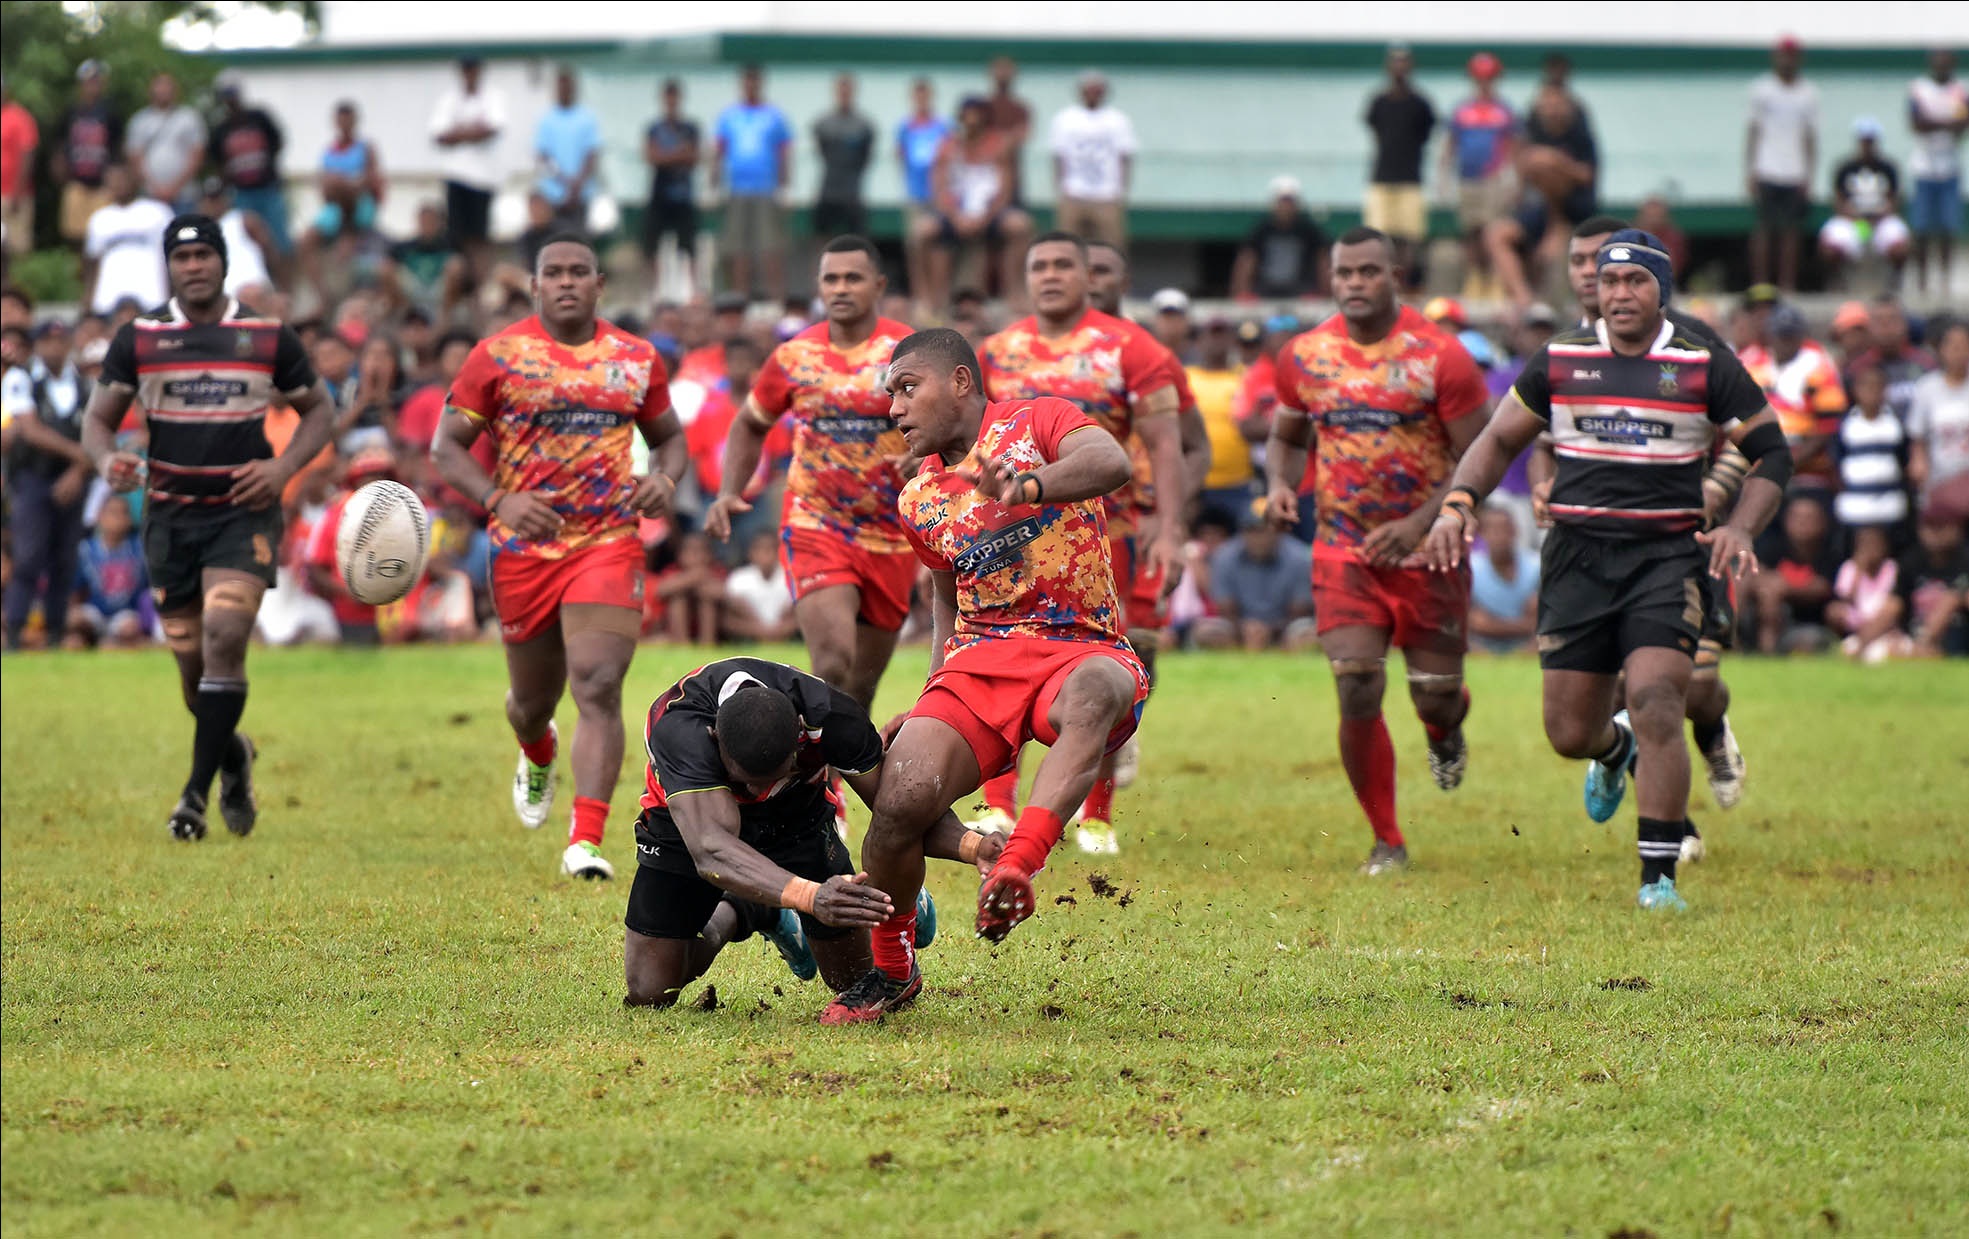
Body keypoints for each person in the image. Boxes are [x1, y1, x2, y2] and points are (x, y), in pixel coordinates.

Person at [1423, 229, 1792, 912]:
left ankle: (1658, 877)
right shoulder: (1560, 360)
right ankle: (1615, 751)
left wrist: (1739, 524)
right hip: (1576, 560)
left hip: (1665, 558)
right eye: (1608, 281)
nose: (1618, 293)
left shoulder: (1702, 363)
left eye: (1635, 282)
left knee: (1656, 697)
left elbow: (1773, 451)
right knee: (1568, 732)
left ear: (1661, 291)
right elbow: (1498, 438)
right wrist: (1456, 504)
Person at [822, 328, 1149, 1023]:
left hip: (1079, 646)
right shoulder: (919, 499)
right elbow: (946, 596)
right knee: (900, 799)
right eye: (890, 394)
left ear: (962, 383)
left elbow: (1109, 461)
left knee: (1095, 693)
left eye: (908, 387)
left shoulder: (1038, 420)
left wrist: (1028, 484)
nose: (895, 409)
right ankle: (891, 969)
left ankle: (1015, 866)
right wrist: (932, 695)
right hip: (979, 662)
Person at [430, 232, 689, 880]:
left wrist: (665, 479)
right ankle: (536, 748)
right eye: (555, 272)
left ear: (599, 284)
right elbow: (445, 448)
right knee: (530, 701)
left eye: (579, 271)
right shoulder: (497, 356)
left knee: (598, 683)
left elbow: (670, 439)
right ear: (535, 285)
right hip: (522, 549)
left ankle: (586, 840)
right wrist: (499, 499)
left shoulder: (635, 358)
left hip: (607, 540)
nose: (567, 281)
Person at [81, 213, 338, 840]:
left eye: (204, 255)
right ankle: (233, 757)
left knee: (225, 637)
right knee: (195, 679)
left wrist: (282, 471)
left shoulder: (267, 337)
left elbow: (320, 410)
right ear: (168, 266)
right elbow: (97, 421)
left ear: (224, 262)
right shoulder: (139, 338)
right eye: (182, 256)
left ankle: (192, 798)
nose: (194, 266)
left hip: (241, 514)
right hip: (168, 518)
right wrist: (104, 458)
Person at [1266, 227, 1490, 876]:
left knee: (1434, 697)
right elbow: (1285, 435)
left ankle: (1446, 731)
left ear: (1396, 274)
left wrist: (1422, 522)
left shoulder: (1438, 355)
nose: (1354, 284)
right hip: (1342, 548)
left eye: (1368, 272)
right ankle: (1386, 838)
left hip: (1430, 551)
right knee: (1357, 686)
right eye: (1344, 273)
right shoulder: (1305, 355)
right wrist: (1279, 483)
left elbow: (1481, 457)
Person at [1530, 214, 1752, 818]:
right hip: (1594, 543)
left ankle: (1712, 736)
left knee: (1691, 687)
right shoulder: (1566, 351)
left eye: (1598, 261)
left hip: (1685, 536)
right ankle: (1668, 825)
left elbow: (1749, 433)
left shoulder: (1691, 339)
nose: (1588, 274)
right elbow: (1540, 438)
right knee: (1636, 692)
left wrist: (1716, 488)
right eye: (1579, 264)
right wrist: (1542, 485)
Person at [974, 234, 1185, 850]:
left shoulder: (1130, 347)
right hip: (1009, 535)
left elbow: (1166, 444)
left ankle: (1095, 812)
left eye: (1064, 264)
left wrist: (1170, 528)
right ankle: (996, 804)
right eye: (1038, 265)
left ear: (1087, 277)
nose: (1051, 275)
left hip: (1102, 537)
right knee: (1000, 648)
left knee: (1105, 661)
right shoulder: (997, 350)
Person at [623, 658, 982, 1014]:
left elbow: (901, 813)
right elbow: (711, 851)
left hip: (797, 816)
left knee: (854, 979)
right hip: (692, 818)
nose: (757, 791)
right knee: (650, 989)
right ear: (715, 738)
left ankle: (899, 899)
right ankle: (751, 909)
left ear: (799, 735)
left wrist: (976, 846)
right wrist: (810, 895)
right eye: (746, 780)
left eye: (771, 777)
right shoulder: (680, 728)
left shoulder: (832, 717)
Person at [704, 236, 914, 710]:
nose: (840, 288)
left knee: (860, 686)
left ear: (878, 284)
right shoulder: (794, 355)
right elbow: (751, 422)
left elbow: (948, 426)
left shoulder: (909, 351)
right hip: (817, 522)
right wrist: (727, 492)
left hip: (893, 532)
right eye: (830, 279)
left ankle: (832, 768)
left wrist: (928, 458)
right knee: (833, 662)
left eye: (853, 278)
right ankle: (816, 781)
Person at [3, 321, 92, 649]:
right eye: (47, 342)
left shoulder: (85, 385)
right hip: (34, 479)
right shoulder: (22, 379)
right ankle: (14, 630)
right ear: (38, 346)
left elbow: (98, 433)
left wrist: (78, 472)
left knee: (65, 558)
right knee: (28, 556)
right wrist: (80, 457)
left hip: (73, 480)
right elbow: (29, 429)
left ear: (68, 343)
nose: (54, 348)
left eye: (60, 341)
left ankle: (55, 631)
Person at [918, 97, 1031, 321]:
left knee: (1020, 226)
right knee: (922, 231)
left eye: (976, 115)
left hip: (989, 213)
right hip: (955, 213)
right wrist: (956, 217)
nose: (971, 121)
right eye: (967, 116)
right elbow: (938, 187)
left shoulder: (998, 145)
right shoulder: (948, 147)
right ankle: (928, 298)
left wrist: (985, 217)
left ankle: (1015, 294)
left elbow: (1006, 188)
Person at [1486, 85, 1598, 309]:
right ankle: (1522, 297)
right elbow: (1521, 167)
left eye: (1557, 105)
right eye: (1547, 105)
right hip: (1537, 215)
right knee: (1496, 234)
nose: (1552, 110)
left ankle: (1555, 230)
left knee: (1542, 163)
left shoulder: (1580, 135)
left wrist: (1554, 161)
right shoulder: (1531, 132)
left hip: (1573, 214)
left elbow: (1587, 175)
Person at [713, 65, 794, 303]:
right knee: (738, 248)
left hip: (766, 188)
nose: (751, 87)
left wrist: (786, 186)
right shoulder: (729, 116)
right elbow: (719, 150)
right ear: (741, 85)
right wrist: (713, 184)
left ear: (760, 84)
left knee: (771, 246)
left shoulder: (774, 116)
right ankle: (741, 299)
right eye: (746, 82)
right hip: (737, 189)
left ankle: (775, 300)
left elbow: (784, 152)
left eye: (754, 82)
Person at [303, 447, 398, 645]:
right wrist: (350, 592)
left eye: (381, 477)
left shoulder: (404, 515)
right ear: (356, 481)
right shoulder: (336, 514)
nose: (375, 483)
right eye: (368, 477)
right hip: (351, 615)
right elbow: (314, 567)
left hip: (398, 615)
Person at [1746, 37, 1818, 292]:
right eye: (1783, 55)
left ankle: (1787, 284)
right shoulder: (1762, 89)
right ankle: (1761, 282)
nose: (1787, 60)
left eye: (1792, 55)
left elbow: (1810, 137)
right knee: (1764, 229)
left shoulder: (1807, 92)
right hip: (1767, 168)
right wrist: (1750, 171)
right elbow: (1753, 131)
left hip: (1794, 171)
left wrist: (1809, 175)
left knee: (1790, 233)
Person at [1441, 52, 1516, 297]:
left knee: (1492, 230)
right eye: (1479, 78)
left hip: (1493, 179)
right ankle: (1474, 279)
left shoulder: (1504, 111)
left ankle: (1495, 281)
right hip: (1467, 180)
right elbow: (1450, 145)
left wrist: (1512, 178)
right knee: (1470, 231)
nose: (1484, 83)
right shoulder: (1462, 111)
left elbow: (1514, 146)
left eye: (1489, 78)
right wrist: (1443, 177)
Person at [1193, 505, 1316, 651]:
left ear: (1279, 531)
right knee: (1206, 632)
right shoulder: (1224, 556)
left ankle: (1281, 654)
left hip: (1285, 628)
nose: (1258, 538)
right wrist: (1245, 628)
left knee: (1308, 634)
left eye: (1264, 530)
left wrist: (1268, 630)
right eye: (1251, 531)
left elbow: (1299, 611)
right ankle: (1236, 658)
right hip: (1238, 629)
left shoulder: (1300, 558)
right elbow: (1225, 609)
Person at [1362, 44, 1436, 278]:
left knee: (1409, 238)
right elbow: (1374, 128)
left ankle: (1405, 284)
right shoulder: (1379, 102)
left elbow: (1426, 133)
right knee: (1378, 238)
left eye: (1404, 62)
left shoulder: (1420, 104)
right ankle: (1382, 283)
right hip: (1382, 177)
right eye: (1396, 62)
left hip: (1410, 178)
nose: (1400, 67)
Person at [430, 57, 506, 277]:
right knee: (457, 237)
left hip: (483, 179)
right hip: (456, 177)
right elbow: (438, 136)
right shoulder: (449, 99)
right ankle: (466, 283)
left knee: (480, 236)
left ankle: (481, 283)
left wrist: (458, 133)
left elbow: (492, 130)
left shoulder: (493, 97)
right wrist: (473, 132)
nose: (469, 74)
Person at [1048, 71, 1136, 248]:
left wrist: (1121, 191)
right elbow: (1058, 156)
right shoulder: (1065, 119)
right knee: (1068, 247)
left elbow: (1125, 157)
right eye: (1089, 89)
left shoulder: (1117, 120)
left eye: (1097, 90)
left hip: (1106, 195)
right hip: (1074, 193)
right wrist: (1061, 188)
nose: (1093, 94)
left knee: (1112, 248)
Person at [1819, 118, 1911, 282]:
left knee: (1899, 245)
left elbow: (1895, 199)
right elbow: (1838, 201)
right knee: (1831, 246)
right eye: (1864, 141)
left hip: (1880, 221)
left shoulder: (1888, 168)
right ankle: (1837, 280)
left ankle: (1895, 279)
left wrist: (1878, 216)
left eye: (1870, 141)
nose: (1867, 145)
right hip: (1854, 222)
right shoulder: (1845, 167)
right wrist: (1856, 217)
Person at [1907, 48, 1968, 296]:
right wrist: (1944, 123)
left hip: (1950, 168)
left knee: (1948, 229)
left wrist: (1934, 122)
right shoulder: (1919, 88)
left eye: (1946, 60)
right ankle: (1922, 282)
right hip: (1923, 168)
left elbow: (1961, 126)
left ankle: (1944, 282)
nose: (1941, 64)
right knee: (1921, 229)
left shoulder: (1960, 90)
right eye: (1937, 59)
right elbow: (1916, 124)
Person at [206, 74, 288, 255]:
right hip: (241, 193)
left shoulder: (259, 117)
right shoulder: (221, 129)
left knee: (279, 240)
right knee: (249, 241)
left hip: (268, 188)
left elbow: (278, 142)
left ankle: (284, 282)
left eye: (232, 94)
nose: (230, 99)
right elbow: (218, 162)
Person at [82, 162, 173, 316]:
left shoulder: (158, 212)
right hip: (108, 300)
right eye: (112, 180)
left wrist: (172, 295)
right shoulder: (100, 219)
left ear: (134, 180)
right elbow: (92, 265)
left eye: (122, 179)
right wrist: (87, 301)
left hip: (152, 296)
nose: (118, 184)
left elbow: (171, 257)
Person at [896, 78, 953, 314]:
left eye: (926, 95)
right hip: (915, 195)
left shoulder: (943, 127)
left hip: (939, 196)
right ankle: (921, 296)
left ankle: (940, 297)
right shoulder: (905, 127)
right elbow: (900, 156)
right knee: (915, 246)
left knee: (940, 247)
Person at [68, 494, 153, 649]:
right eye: (113, 512)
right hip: (95, 611)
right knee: (75, 621)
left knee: (130, 628)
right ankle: (91, 642)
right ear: (100, 516)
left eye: (124, 513)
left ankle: (111, 644)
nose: (118, 518)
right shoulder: (86, 550)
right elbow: (76, 589)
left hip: (126, 613)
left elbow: (150, 588)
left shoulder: (139, 550)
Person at [1834, 365, 1910, 534]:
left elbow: (1903, 460)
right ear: (1855, 390)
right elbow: (1837, 460)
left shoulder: (1895, 424)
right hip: (1854, 509)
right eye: (1866, 385)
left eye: (1877, 386)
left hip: (1890, 508)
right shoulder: (1846, 425)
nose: (1872, 391)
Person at [53, 61, 122, 248]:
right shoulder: (71, 112)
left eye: (96, 81)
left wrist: (114, 180)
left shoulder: (111, 112)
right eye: (89, 82)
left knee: (103, 235)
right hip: (76, 182)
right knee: (75, 236)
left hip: (102, 184)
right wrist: (60, 172)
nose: (92, 86)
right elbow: (60, 145)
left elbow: (118, 148)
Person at [643, 79, 702, 297]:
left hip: (684, 196)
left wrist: (667, 155)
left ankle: (692, 292)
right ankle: (655, 291)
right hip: (659, 194)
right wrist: (678, 154)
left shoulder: (690, 128)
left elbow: (695, 156)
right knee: (652, 247)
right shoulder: (654, 128)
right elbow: (651, 156)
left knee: (689, 248)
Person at [1907, 318, 1969, 515]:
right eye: (1952, 346)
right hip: (1939, 476)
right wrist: (1918, 462)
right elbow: (1918, 436)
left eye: (1963, 346)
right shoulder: (1927, 388)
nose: (1957, 352)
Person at [1230, 176, 1326, 301]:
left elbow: (1322, 261)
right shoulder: (1261, 231)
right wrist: (1241, 293)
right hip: (1265, 292)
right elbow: (1246, 261)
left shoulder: (1309, 231)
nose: (1285, 207)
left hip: (1301, 292)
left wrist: (1325, 295)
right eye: (1282, 201)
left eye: (1289, 202)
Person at [1828, 525, 1910, 662]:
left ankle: (1861, 647)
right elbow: (1846, 598)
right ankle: (1854, 645)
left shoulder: (1891, 567)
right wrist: (1859, 570)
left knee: (1893, 607)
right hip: (1857, 620)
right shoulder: (1850, 567)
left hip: (1883, 621)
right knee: (1833, 610)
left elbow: (1894, 597)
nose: (1871, 549)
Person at [1850, 296, 1938, 424]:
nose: (1886, 327)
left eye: (1892, 320)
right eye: (1879, 321)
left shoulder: (1927, 364)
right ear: (1869, 326)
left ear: (1905, 324)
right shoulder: (1856, 370)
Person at [125, 72, 205, 212]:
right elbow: (135, 158)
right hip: (150, 196)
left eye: (167, 86)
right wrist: (155, 189)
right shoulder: (140, 120)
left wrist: (174, 188)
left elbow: (197, 155)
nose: (163, 90)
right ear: (151, 90)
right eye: (159, 85)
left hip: (184, 196)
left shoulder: (189, 118)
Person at [1899, 504, 1969, 656]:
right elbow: (1895, 602)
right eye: (1930, 526)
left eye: (1942, 526)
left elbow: (1957, 597)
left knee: (1952, 599)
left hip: (1956, 634)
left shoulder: (1965, 560)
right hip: (1914, 630)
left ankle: (1923, 647)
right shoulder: (1911, 561)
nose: (1935, 533)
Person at [1468, 504, 1538, 654]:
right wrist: (1524, 624)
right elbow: (1473, 622)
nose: (1498, 536)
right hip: (1481, 646)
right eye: (1492, 530)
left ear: (1515, 531)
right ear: (1481, 534)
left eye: (1504, 529)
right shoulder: (1471, 569)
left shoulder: (1536, 566)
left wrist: (1490, 624)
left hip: (1528, 644)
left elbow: (1540, 622)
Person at [197, 178, 276, 309]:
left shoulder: (244, 220)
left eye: (217, 198)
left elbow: (269, 251)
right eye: (210, 199)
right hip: (224, 294)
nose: (214, 204)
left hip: (253, 285)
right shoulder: (198, 231)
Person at [534, 68, 601, 224]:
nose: (564, 91)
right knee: (553, 242)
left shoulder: (587, 118)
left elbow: (592, 154)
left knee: (578, 242)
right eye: (560, 87)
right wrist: (564, 182)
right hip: (552, 194)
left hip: (581, 194)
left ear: (574, 88)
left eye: (567, 86)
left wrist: (577, 184)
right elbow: (543, 156)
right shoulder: (547, 119)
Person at [812, 74, 873, 240]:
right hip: (828, 191)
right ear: (836, 92)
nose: (844, 95)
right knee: (821, 241)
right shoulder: (823, 124)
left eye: (848, 91)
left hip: (852, 194)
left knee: (857, 242)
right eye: (841, 91)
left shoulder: (863, 125)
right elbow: (821, 152)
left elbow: (866, 158)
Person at [723, 529, 798, 642]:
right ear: (751, 553)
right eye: (760, 549)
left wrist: (783, 628)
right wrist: (760, 630)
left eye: (770, 549)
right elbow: (729, 618)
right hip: (750, 632)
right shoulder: (739, 577)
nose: (765, 554)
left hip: (784, 630)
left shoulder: (792, 576)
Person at [984, 57, 1033, 202]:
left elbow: (1023, 136)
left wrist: (996, 139)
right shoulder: (983, 107)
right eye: (999, 70)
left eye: (1007, 70)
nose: (1003, 74)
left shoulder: (1021, 109)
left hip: (1013, 177)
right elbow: (976, 138)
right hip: (985, 177)